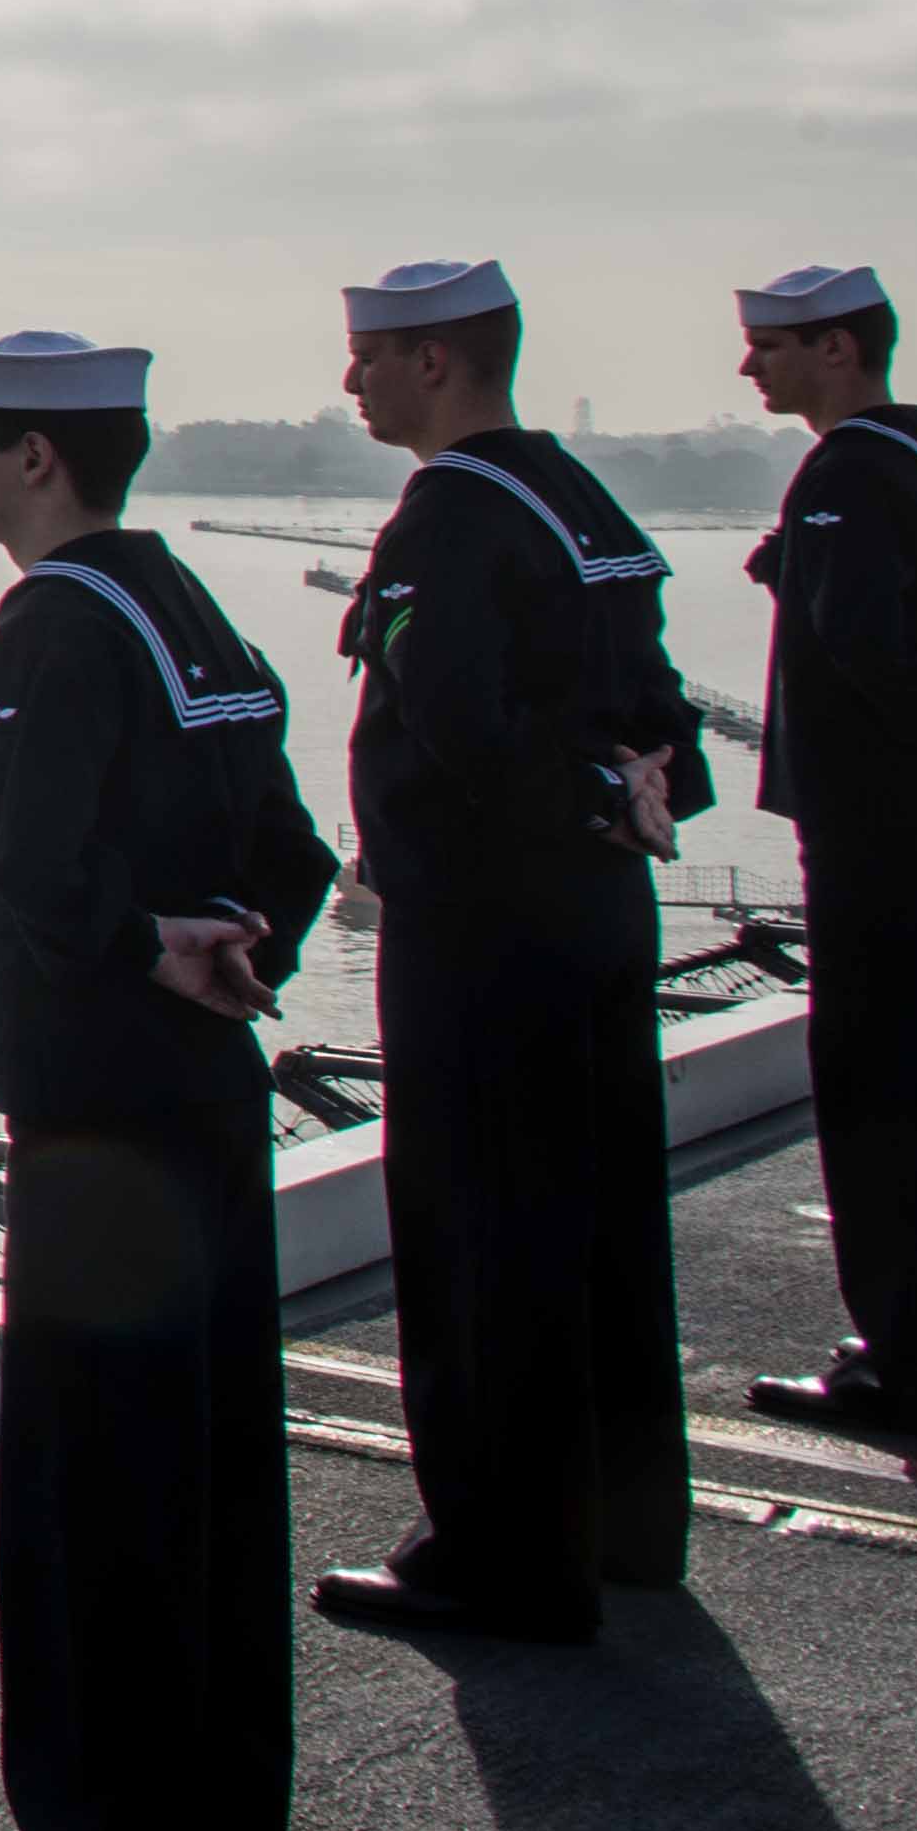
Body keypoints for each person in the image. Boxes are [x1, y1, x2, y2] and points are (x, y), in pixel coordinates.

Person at [0, 330, 334, 1831]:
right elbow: (296, 848)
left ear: (39, 461)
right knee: (208, 1471)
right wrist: (224, 944)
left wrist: (143, 940)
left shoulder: (54, 631)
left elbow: (23, 866)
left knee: (90, 1503)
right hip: (207, 1099)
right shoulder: (187, 610)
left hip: (95, 1126)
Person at [314, 259, 710, 1645]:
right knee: (598, 1220)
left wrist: (569, 801)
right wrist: (623, 798)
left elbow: (459, 725)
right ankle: (625, 1523)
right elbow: (659, 708)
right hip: (600, 911)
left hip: (483, 927)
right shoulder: (576, 495)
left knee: (480, 1234)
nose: (350, 380)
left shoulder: (452, 515)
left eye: (369, 356)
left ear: (436, 363)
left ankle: (499, 1555)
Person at [729, 264, 917, 1439]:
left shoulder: (849, 467)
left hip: (878, 823)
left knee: (887, 1090)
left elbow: (859, 639)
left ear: (838, 349)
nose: (749, 364)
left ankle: (911, 1356)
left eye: (768, 343)